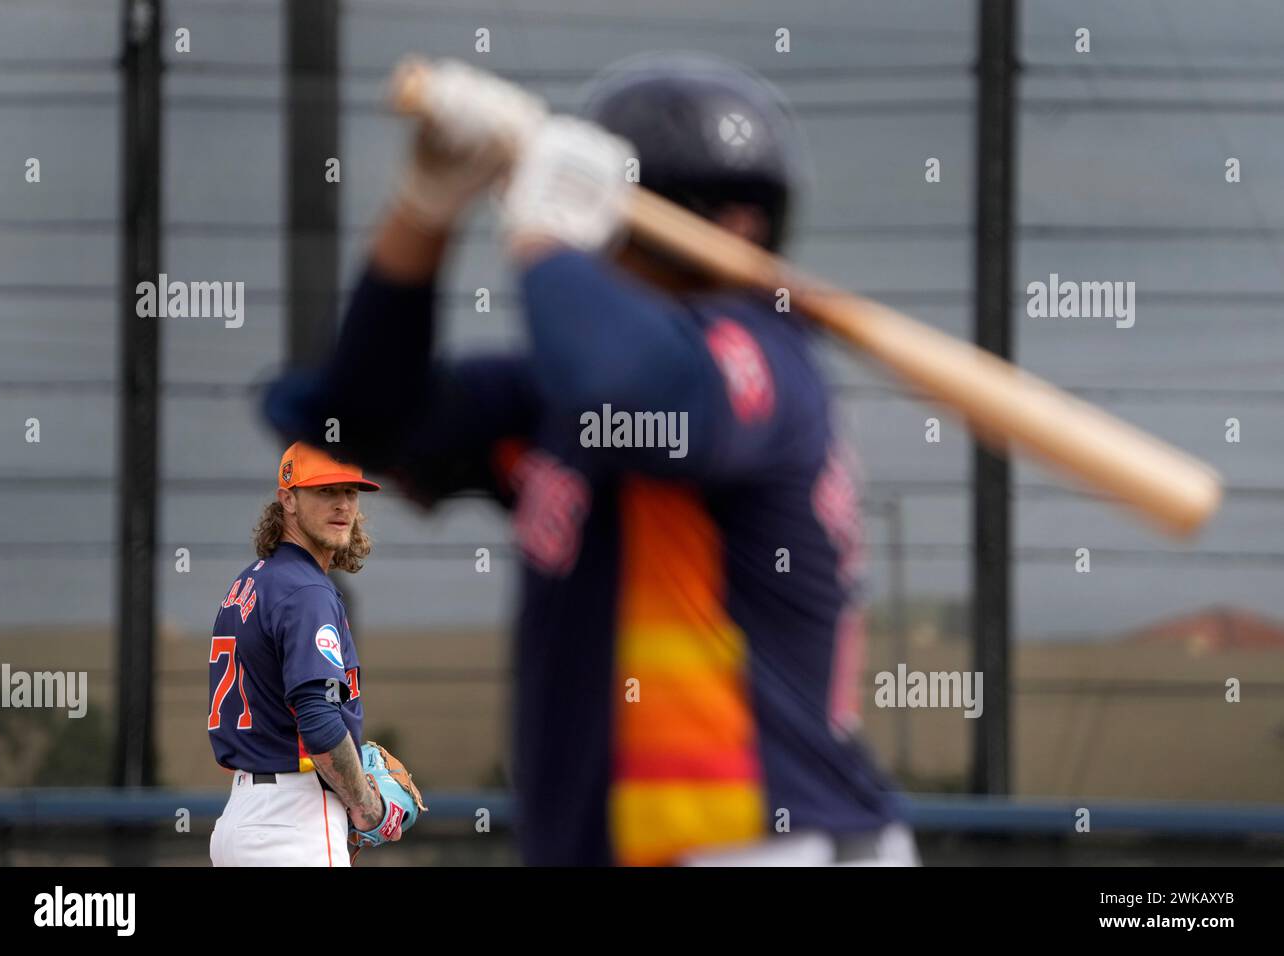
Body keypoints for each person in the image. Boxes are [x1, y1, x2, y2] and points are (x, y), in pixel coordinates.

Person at [264, 53, 917, 866]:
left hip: (767, 839)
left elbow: (641, 393)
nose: (739, 230)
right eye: (711, 209)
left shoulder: (766, 356)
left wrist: (545, 239)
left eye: (750, 210)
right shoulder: (560, 405)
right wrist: (424, 214)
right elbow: (346, 423)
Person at [207, 441, 421, 866]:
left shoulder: (250, 583)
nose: (343, 504)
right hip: (294, 819)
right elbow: (320, 722)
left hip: (243, 822)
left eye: (350, 492)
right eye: (325, 491)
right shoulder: (306, 592)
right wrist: (367, 807)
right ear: (287, 498)